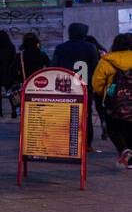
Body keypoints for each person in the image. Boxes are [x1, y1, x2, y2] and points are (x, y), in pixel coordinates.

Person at [54, 22, 102, 148]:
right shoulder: (90, 47)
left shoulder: (60, 48)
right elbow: (96, 67)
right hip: (84, 85)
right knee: (86, 113)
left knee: (65, 113)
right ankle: (86, 143)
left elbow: (54, 67)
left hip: (64, 86)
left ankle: (64, 140)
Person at [92, 33, 132, 168]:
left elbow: (97, 83)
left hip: (115, 101)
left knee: (113, 127)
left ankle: (123, 149)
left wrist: (104, 92)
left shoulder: (107, 60)